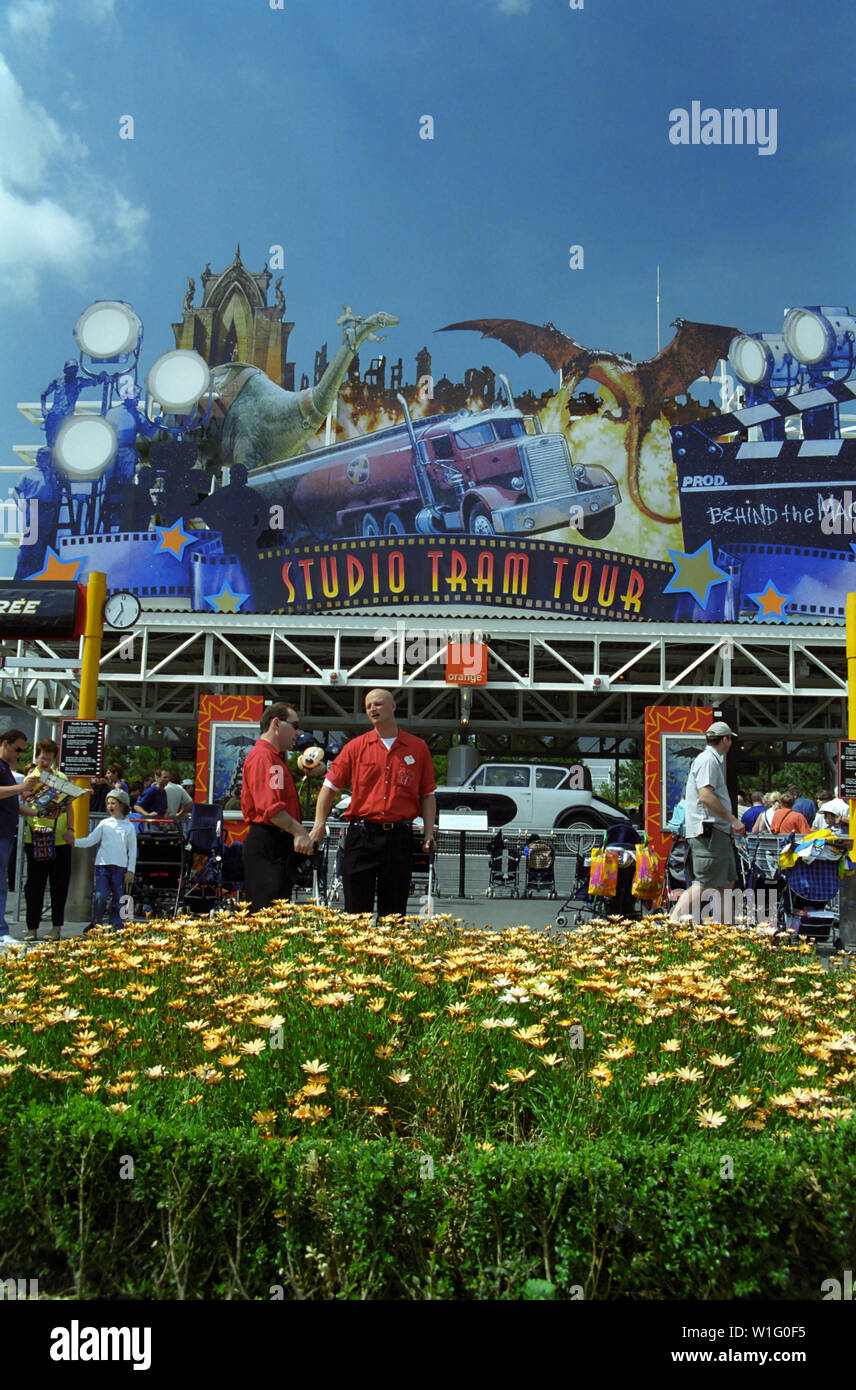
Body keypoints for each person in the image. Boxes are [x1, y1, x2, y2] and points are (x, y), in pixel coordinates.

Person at [311, 688, 436, 917]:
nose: (372, 709)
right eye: (368, 706)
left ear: (393, 707)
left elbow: (427, 795)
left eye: (378, 704)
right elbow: (328, 788)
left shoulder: (417, 748)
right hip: (362, 835)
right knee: (356, 912)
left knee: (394, 913)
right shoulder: (356, 747)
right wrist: (319, 824)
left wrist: (429, 834)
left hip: (399, 837)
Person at [669, 721, 745, 923]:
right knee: (703, 883)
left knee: (727, 882)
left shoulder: (708, 760)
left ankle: (724, 929)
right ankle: (672, 923)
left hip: (715, 832)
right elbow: (705, 795)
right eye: (730, 740)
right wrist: (733, 820)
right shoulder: (708, 761)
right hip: (709, 832)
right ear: (726, 739)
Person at [240, 702, 313, 912]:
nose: (298, 733)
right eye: (295, 725)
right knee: (267, 914)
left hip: (276, 842)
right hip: (268, 842)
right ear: (276, 724)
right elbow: (271, 808)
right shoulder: (264, 758)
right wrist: (300, 832)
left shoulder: (273, 759)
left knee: (275, 912)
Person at [22, 740, 74, 943]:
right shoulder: (30, 778)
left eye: (50, 758)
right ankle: (32, 927)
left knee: (59, 884)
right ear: (36, 757)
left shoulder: (60, 777)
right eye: (43, 757)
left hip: (60, 837)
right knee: (35, 884)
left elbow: (69, 806)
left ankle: (56, 927)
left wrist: (70, 830)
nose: (46, 762)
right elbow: (24, 803)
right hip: (37, 835)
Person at [75, 789, 137, 932]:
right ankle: (96, 922)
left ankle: (117, 925)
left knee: (118, 898)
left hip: (120, 868)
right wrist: (74, 842)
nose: (110, 806)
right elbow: (91, 840)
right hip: (103, 866)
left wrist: (130, 870)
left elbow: (132, 851)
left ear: (122, 805)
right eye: (108, 803)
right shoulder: (104, 823)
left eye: (113, 803)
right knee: (100, 896)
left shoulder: (129, 827)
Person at [0, 732, 38, 942]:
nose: (20, 754)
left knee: (1, 884)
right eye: (18, 749)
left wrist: (39, 813)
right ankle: (1, 932)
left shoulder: (6, 769)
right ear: (5, 744)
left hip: (6, 833)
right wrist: (21, 787)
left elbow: (13, 804)